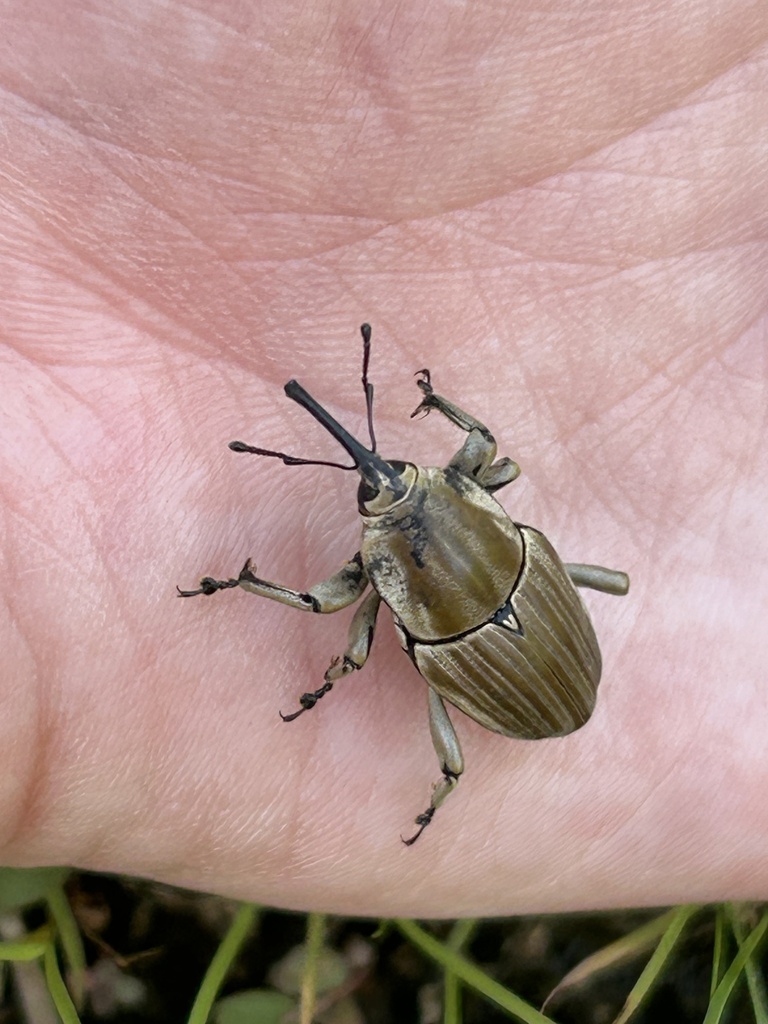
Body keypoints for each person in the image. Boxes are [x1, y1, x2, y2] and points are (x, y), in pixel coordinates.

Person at [2, 0, 766, 917]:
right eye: (388, 488)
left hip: (519, 647)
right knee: (490, 621)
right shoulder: (462, 516)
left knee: (363, 658)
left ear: (477, 511)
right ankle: (446, 779)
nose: (377, 473)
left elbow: (360, 602)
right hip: (509, 655)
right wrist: (434, 404)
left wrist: (244, 581)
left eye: (395, 481)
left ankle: (448, 780)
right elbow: (487, 456)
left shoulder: (413, 566)